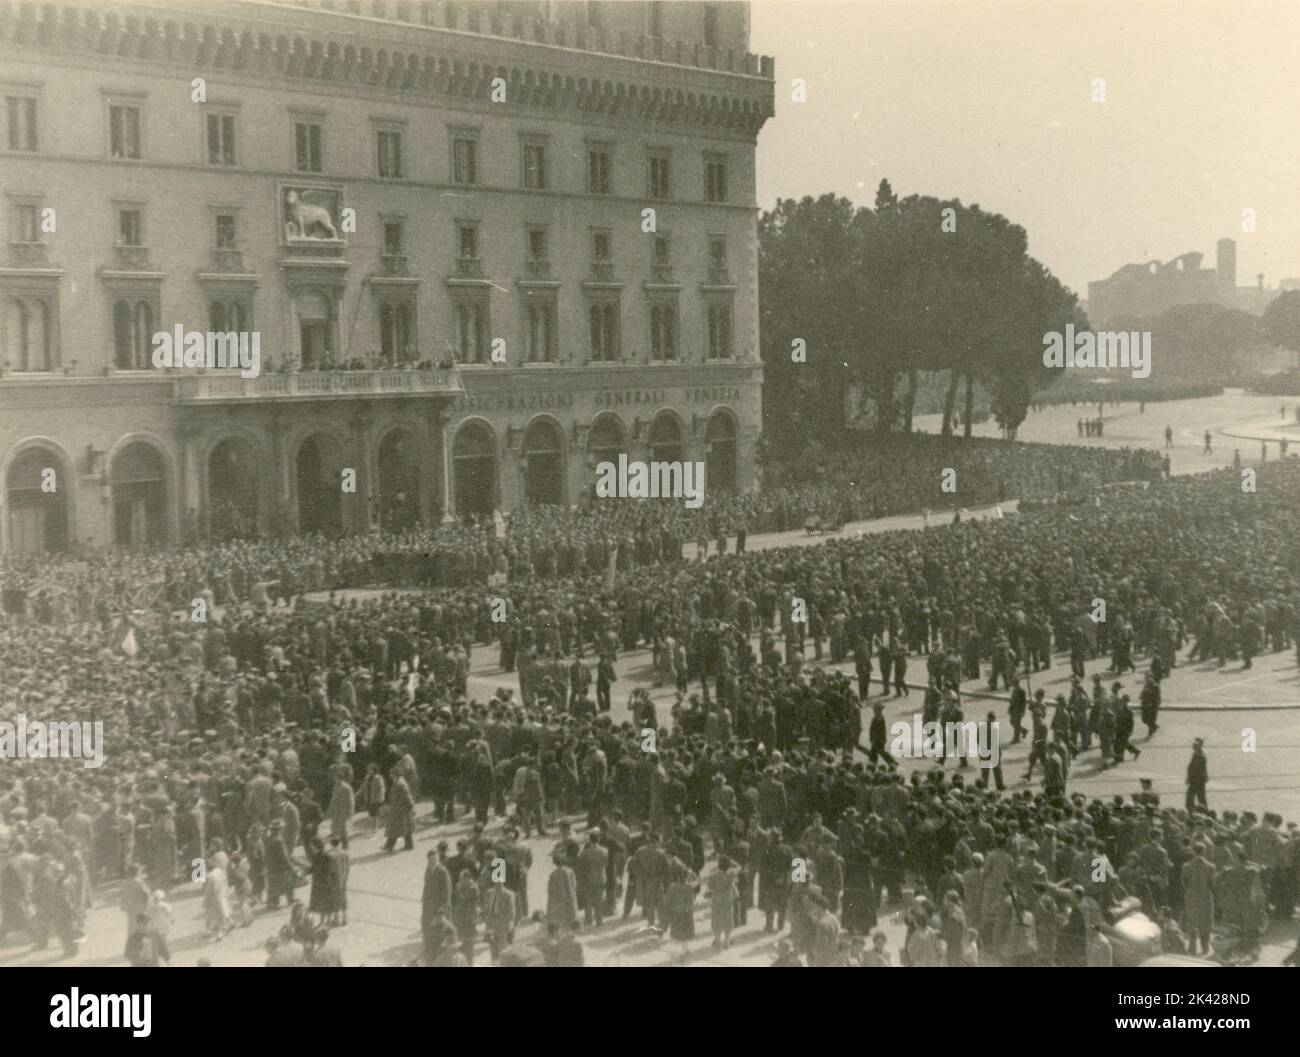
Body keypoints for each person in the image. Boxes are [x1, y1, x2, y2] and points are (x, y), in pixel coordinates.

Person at [1186, 738, 1209, 813]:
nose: (1193, 746)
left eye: (1195, 745)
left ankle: (1194, 811)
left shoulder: (1199, 755)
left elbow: (1195, 769)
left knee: (1192, 797)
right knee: (1200, 797)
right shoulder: (1197, 754)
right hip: (1198, 779)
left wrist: (1189, 778)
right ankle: (1202, 811)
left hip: (1196, 779)